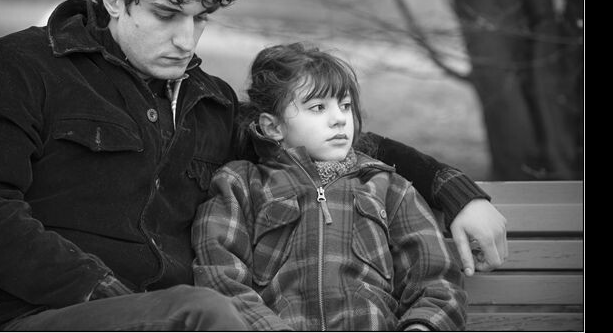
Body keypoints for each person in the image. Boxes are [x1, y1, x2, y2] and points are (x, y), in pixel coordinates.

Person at [0, 0, 506, 331]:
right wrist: (104, 295)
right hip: (37, 319)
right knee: (202, 313)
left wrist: (453, 189)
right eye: (166, 15)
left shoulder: (206, 102)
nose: (185, 40)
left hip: (184, 322)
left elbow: (320, 137)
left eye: (200, 19)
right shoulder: (21, 67)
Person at [192, 42, 467, 331]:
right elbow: (219, 276)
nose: (339, 119)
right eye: (318, 107)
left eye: (345, 106)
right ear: (273, 127)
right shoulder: (240, 185)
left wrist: (422, 327)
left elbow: (438, 281)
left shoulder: (389, 188)